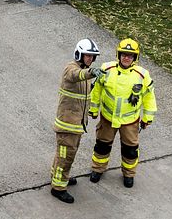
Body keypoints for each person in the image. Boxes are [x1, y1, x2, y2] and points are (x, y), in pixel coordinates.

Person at [88, 38, 157, 188]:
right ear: (118, 55)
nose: (126, 57)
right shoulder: (106, 69)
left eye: (130, 55)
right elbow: (96, 91)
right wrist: (93, 109)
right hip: (107, 119)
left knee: (130, 151)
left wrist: (147, 118)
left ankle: (129, 174)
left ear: (135, 58)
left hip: (130, 122)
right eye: (124, 54)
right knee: (102, 146)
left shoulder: (142, 75)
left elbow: (149, 97)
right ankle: (97, 169)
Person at [50, 38, 103, 204]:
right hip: (67, 126)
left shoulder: (85, 72)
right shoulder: (71, 69)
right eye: (88, 56)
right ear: (79, 54)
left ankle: (59, 176)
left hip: (76, 126)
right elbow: (75, 76)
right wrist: (91, 73)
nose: (90, 59)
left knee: (64, 155)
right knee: (65, 157)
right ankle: (58, 188)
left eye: (92, 57)